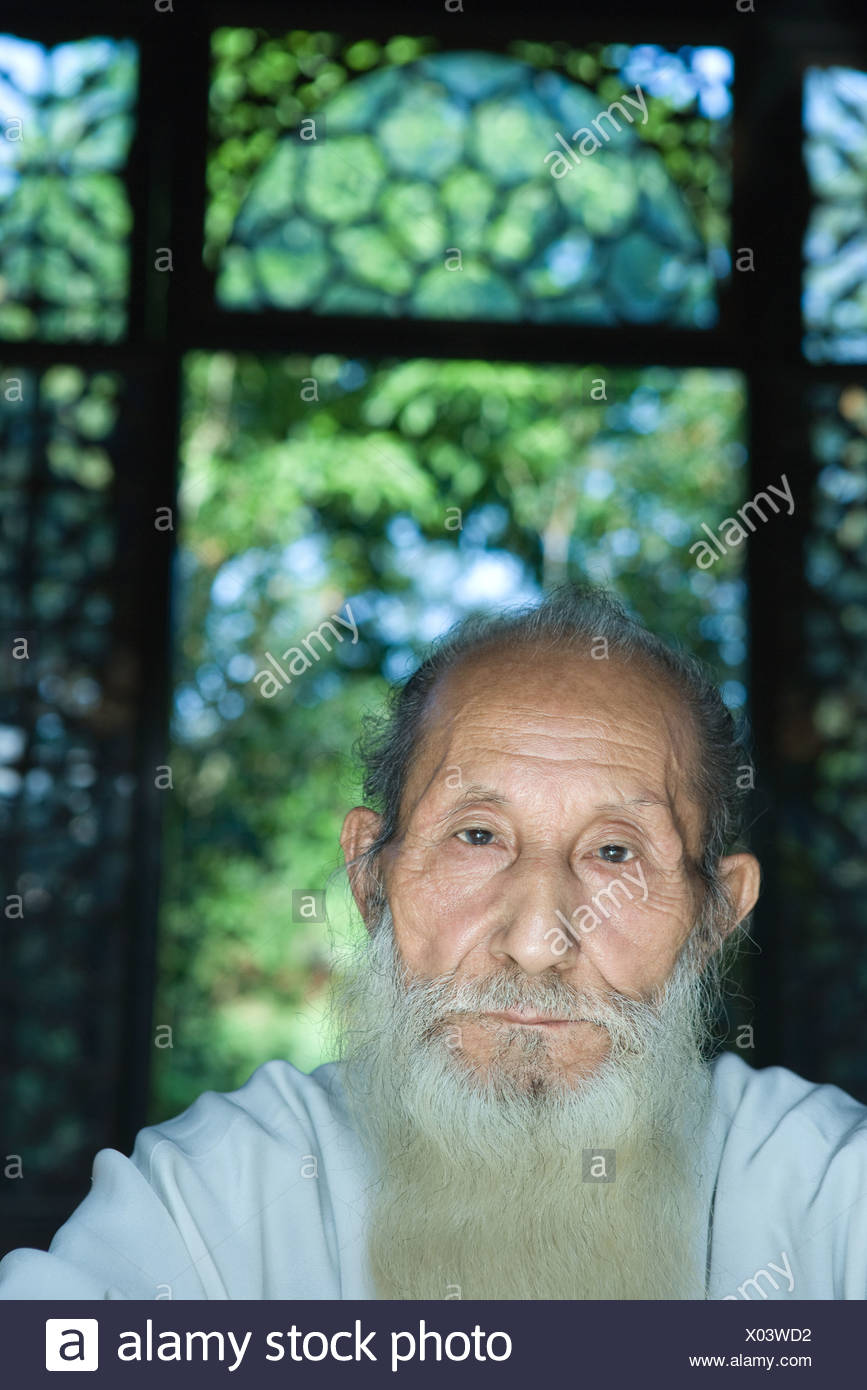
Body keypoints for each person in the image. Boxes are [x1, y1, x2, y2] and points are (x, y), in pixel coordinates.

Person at [2, 584, 866, 1300]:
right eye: (477, 836)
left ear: (716, 915)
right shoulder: (220, 1195)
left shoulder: (825, 1189)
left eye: (613, 852)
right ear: (369, 878)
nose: (535, 943)